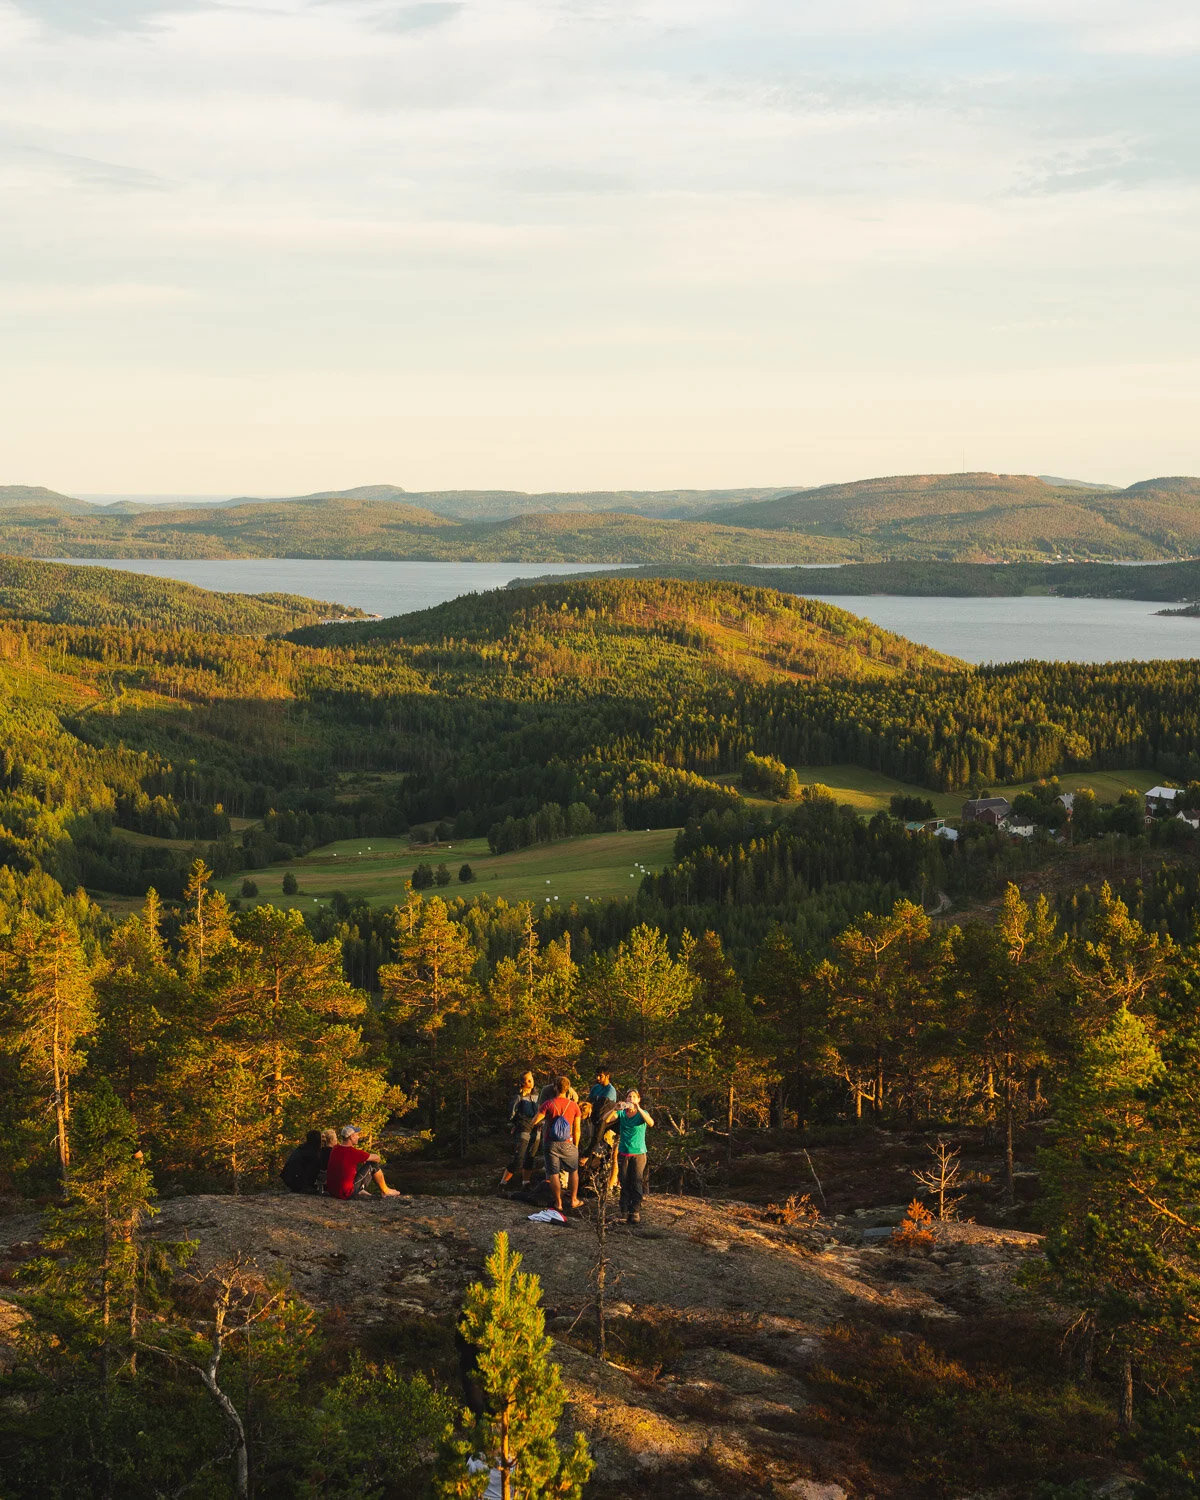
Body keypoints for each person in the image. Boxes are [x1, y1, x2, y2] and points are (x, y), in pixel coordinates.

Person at [529, 1076, 583, 1214]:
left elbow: (535, 1120)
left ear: (554, 1087)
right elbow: (577, 1129)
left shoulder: (548, 1104)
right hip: (568, 1142)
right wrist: (576, 1145)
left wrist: (542, 1121)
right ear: (568, 1088)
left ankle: (558, 1202)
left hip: (551, 1142)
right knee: (573, 1171)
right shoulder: (574, 1106)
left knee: (553, 1173)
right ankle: (574, 1200)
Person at [323, 1124, 401, 1199]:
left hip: (332, 1191)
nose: (358, 1137)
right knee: (372, 1165)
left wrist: (363, 1159)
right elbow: (377, 1158)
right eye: (357, 1135)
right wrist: (367, 1159)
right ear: (352, 1137)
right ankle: (385, 1190)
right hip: (344, 1194)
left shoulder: (335, 1149)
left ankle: (362, 1191)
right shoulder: (353, 1152)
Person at [616, 1089, 654, 1225]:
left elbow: (651, 1123)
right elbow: (605, 1119)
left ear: (638, 1099)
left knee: (636, 1182)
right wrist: (614, 1108)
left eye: (633, 1097)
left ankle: (635, 1211)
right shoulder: (621, 1113)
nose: (631, 1099)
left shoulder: (643, 1114)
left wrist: (639, 1109)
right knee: (624, 1182)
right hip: (624, 1152)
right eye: (629, 1097)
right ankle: (624, 1212)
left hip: (639, 1153)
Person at [501, 1071, 539, 1190]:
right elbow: (511, 1114)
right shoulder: (518, 1097)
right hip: (523, 1129)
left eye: (531, 1079)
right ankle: (502, 1184)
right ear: (522, 1082)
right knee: (518, 1159)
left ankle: (525, 1183)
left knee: (530, 1157)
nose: (530, 1082)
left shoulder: (538, 1096)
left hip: (537, 1130)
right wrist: (515, 1124)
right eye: (527, 1080)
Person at [580, 1065, 618, 1167]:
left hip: (605, 1122)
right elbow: (588, 1103)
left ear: (607, 1076)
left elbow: (602, 1111)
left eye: (600, 1076)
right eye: (597, 1076)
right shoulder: (595, 1088)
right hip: (593, 1121)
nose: (598, 1078)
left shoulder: (610, 1091)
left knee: (600, 1148)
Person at [280, 1129, 323, 1193]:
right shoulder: (311, 1153)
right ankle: (305, 1188)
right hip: (297, 1182)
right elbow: (312, 1171)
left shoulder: (301, 1148)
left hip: (288, 1178)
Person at [316, 1127, 337, 1194]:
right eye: (336, 1137)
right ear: (332, 1140)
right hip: (328, 1180)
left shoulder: (319, 1151)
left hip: (319, 1179)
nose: (337, 1139)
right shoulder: (333, 1153)